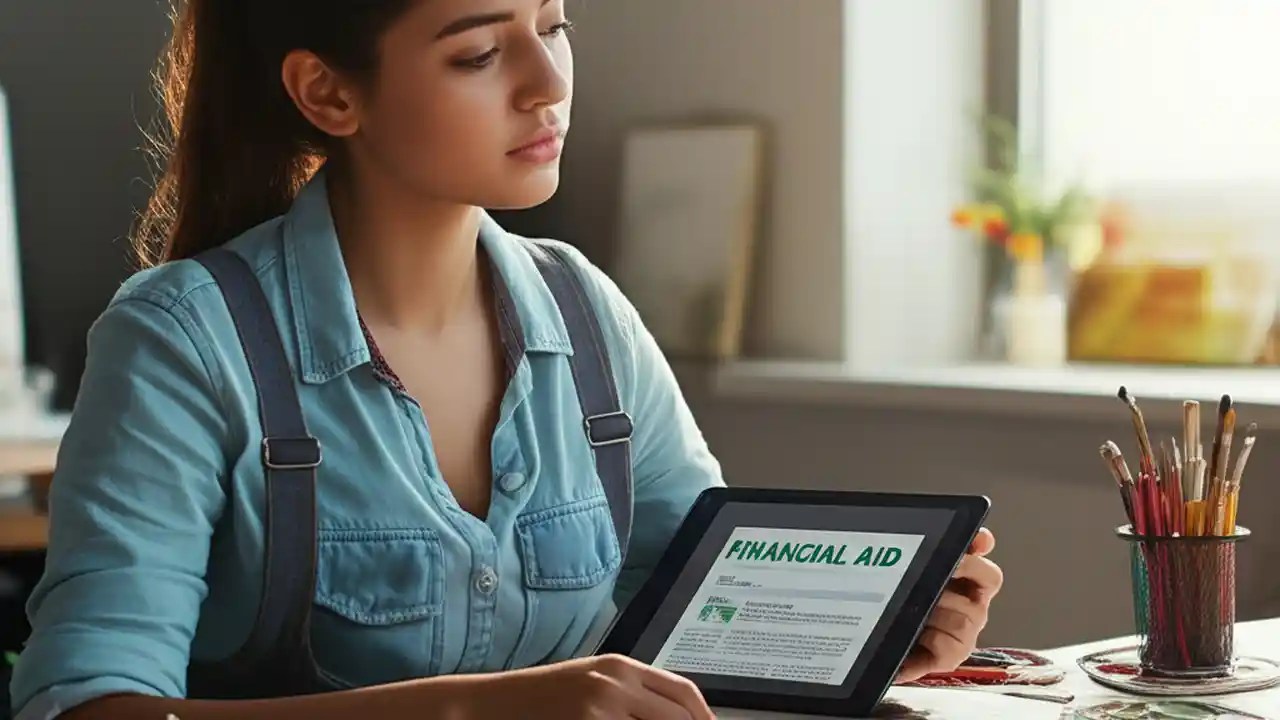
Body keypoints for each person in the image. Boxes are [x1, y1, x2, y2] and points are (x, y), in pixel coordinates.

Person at [10, 1, 1004, 718]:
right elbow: (87, 706)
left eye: (553, 26)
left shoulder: (586, 312)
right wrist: (479, 710)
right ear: (325, 92)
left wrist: (858, 641)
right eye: (480, 50)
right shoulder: (181, 339)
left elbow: (695, 619)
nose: (546, 82)